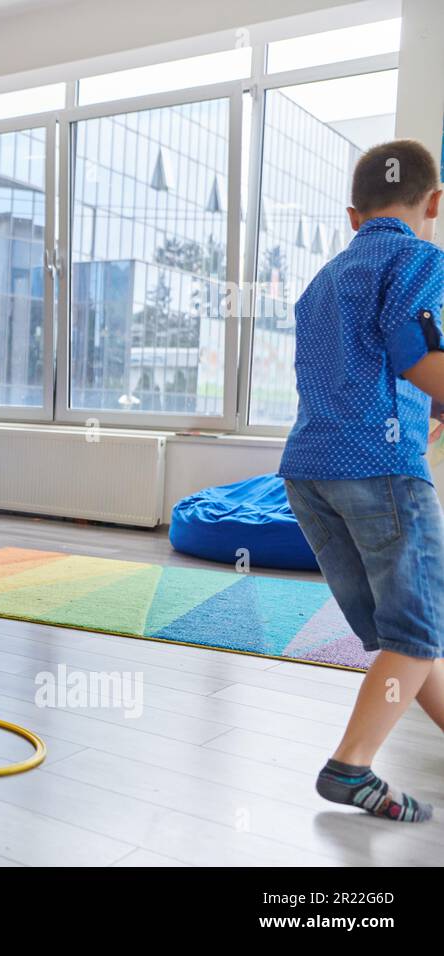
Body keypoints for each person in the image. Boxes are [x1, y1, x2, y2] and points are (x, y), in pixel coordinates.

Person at [280, 138, 444, 822]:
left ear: (354, 216)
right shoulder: (418, 258)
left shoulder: (325, 279)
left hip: (311, 475)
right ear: (434, 203)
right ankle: (350, 768)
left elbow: (363, 368)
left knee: (412, 632)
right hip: (379, 474)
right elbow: (413, 348)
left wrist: (421, 411)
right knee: (415, 635)